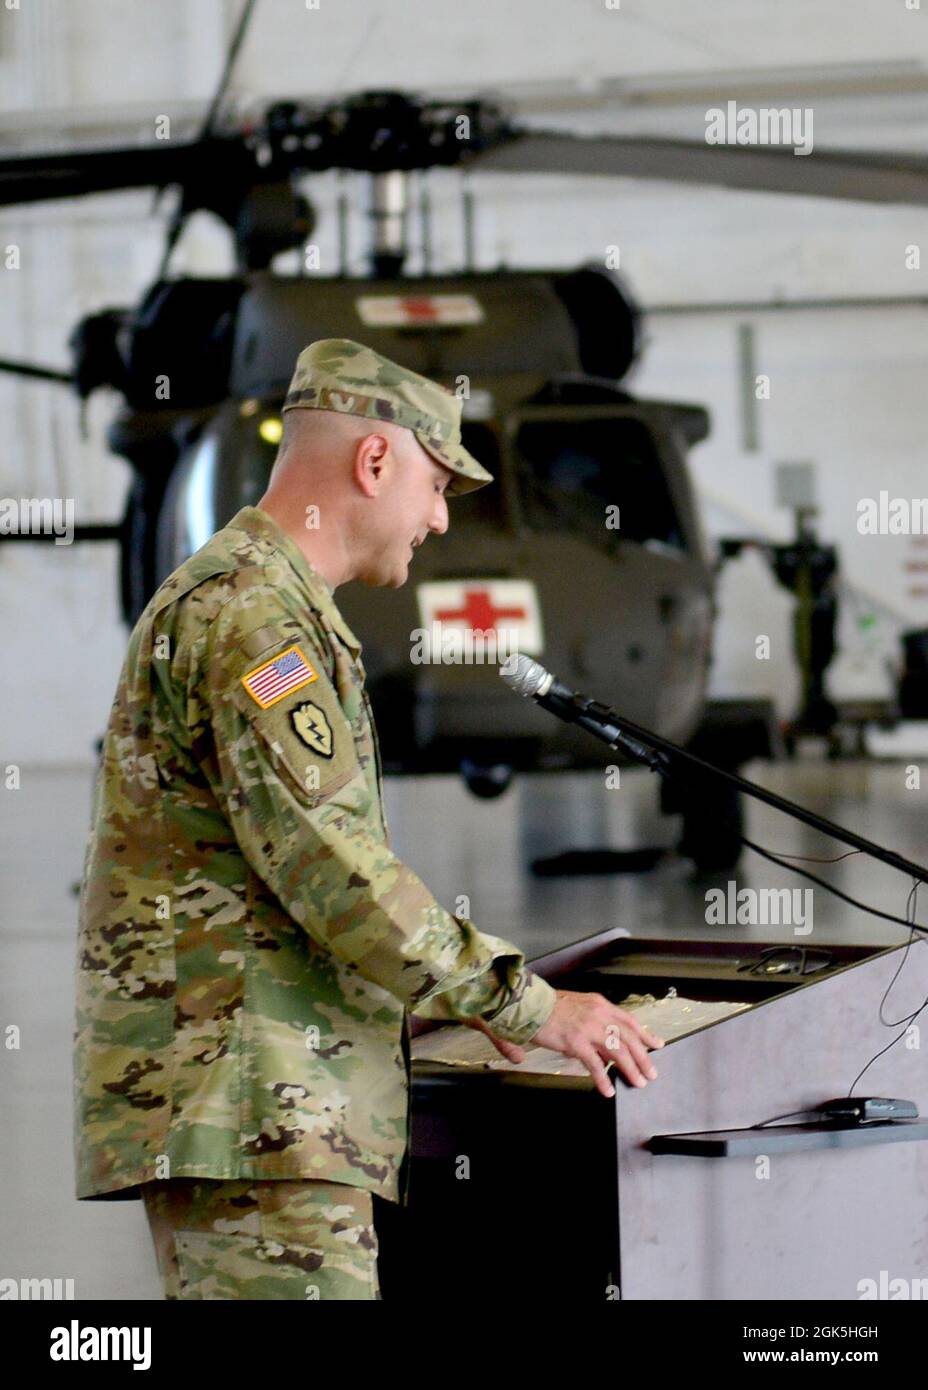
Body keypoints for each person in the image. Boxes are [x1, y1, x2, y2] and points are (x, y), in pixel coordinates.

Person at [73, 338, 664, 1300]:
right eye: (436, 485)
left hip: (266, 1107)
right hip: (257, 1114)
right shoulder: (254, 617)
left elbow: (279, 881)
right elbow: (333, 871)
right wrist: (531, 1004)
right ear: (375, 460)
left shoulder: (269, 605)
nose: (437, 519)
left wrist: (451, 997)